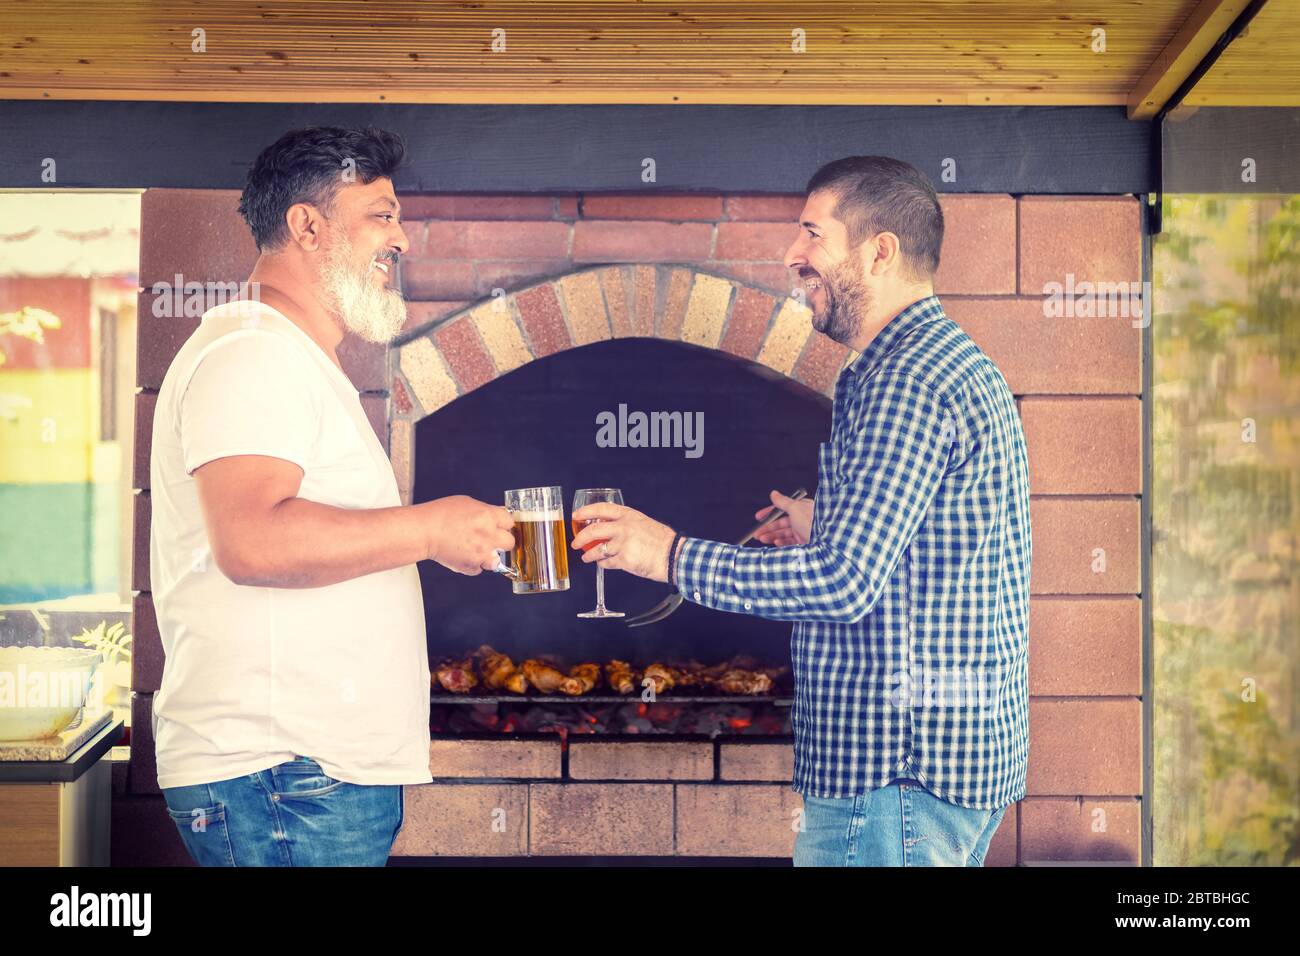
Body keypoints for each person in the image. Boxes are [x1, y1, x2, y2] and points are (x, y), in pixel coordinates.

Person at [571, 156, 1031, 867]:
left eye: (813, 235)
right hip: (938, 763)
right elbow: (930, 546)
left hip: (893, 771)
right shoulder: (936, 362)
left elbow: (844, 584)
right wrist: (829, 524)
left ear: (880, 251)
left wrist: (664, 555)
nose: (793, 255)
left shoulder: (905, 381)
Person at [149, 126, 515, 866]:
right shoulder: (253, 352)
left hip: (300, 780)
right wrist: (431, 529)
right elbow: (252, 542)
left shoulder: (285, 357)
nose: (402, 239)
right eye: (381, 214)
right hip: (284, 777)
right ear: (307, 227)